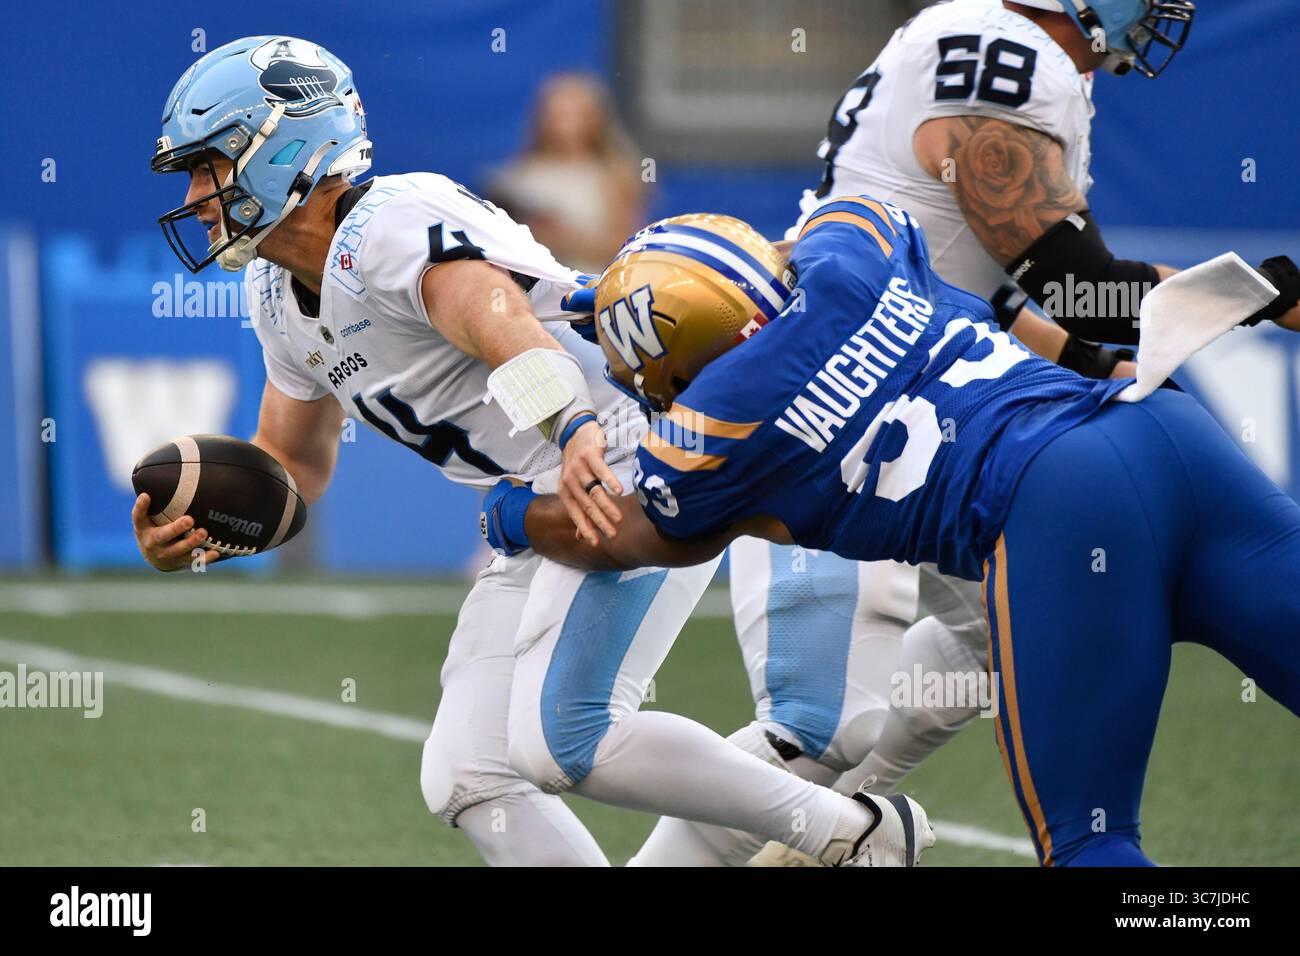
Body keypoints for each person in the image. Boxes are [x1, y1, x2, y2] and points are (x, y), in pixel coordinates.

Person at [136, 35, 933, 868]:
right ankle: (842, 832)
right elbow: (293, 462)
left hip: (627, 444)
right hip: (548, 479)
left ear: (285, 148)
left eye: (209, 166)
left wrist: (572, 430)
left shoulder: (385, 228)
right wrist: (211, 531)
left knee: (567, 738)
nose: (196, 196)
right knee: (469, 774)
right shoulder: (274, 290)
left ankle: (852, 836)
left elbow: (500, 324)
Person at [637, 0, 1300, 866]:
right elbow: (1072, 277)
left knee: (970, 660)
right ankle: (831, 832)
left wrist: (1094, 366)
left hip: (921, 400)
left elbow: (984, 290)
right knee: (828, 718)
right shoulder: (1007, 49)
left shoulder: (977, 44)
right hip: (841, 417)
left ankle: (839, 827)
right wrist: (1264, 292)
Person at [484, 200, 1300, 866]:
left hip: (1058, 506)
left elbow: (623, 538)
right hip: (1163, 430)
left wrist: (513, 514)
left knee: (1094, 842)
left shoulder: (716, 428)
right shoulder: (853, 249)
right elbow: (804, 241)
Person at [488, 73, 646, 275]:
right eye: (557, 115)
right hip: (536, 289)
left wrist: (563, 237)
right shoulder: (521, 175)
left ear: (594, 119)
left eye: (574, 116)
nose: (563, 126)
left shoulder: (614, 175)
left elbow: (628, 245)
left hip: (591, 290)